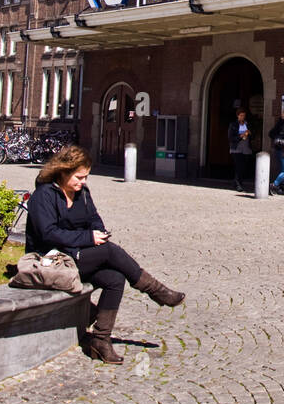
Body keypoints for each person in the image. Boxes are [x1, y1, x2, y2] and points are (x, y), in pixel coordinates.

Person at [26, 146, 184, 364]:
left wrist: (99, 232)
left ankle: (100, 339)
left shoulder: (83, 194)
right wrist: (88, 239)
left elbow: (94, 219)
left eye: (85, 177)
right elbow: (48, 234)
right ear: (63, 171)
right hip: (51, 260)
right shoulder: (43, 196)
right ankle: (155, 289)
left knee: (115, 278)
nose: (82, 182)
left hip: (76, 256)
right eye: (79, 177)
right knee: (110, 252)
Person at [228, 108, 253, 192]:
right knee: (239, 166)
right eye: (241, 115)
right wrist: (241, 136)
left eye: (244, 116)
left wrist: (250, 133)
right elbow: (231, 138)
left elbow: (253, 136)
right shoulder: (233, 125)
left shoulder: (247, 124)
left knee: (244, 167)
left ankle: (237, 182)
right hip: (236, 148)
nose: (243, 117)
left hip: (246, 148)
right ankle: (238, 184)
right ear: (237, 116)